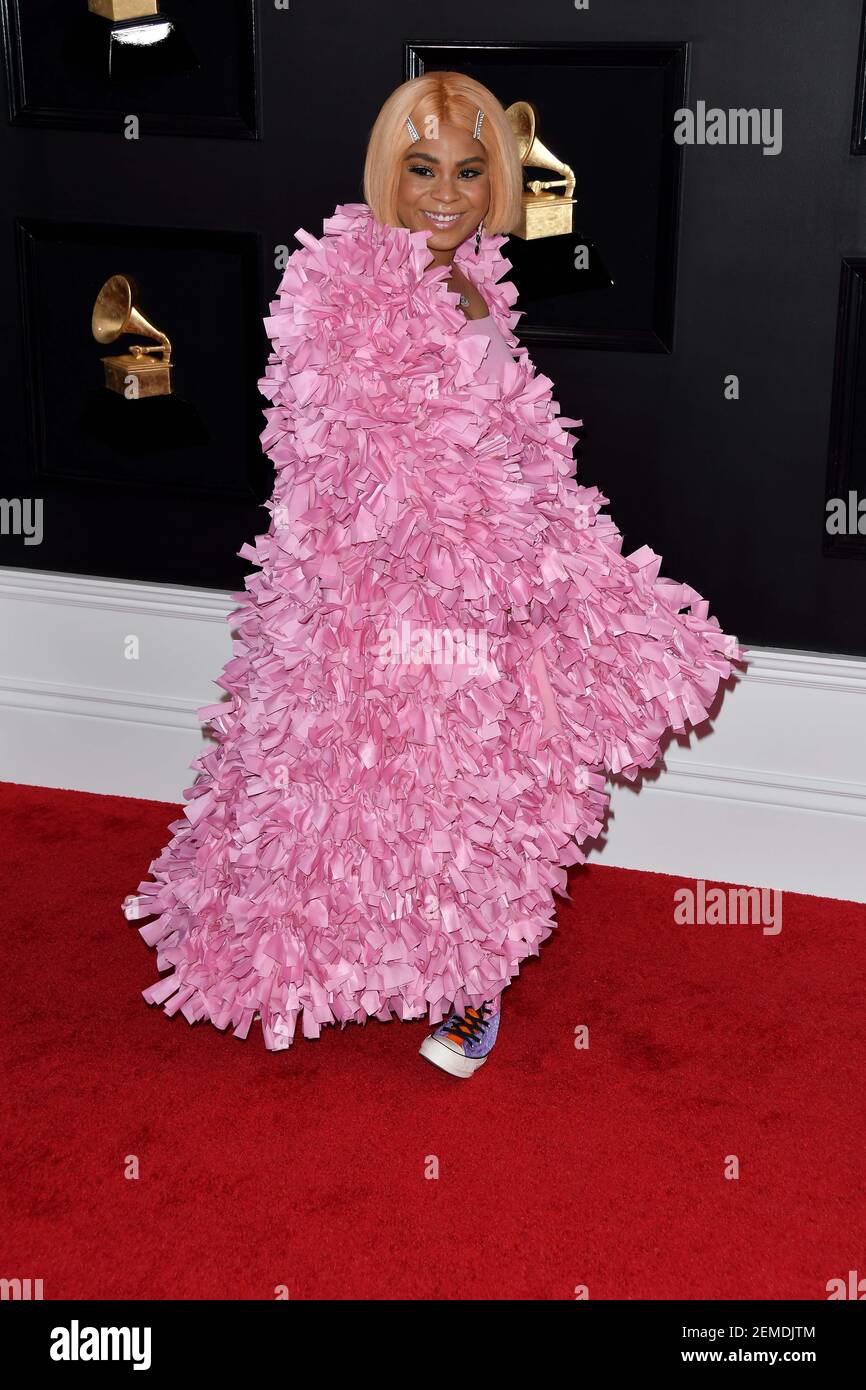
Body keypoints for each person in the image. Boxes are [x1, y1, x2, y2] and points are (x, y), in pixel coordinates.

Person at [122, 72, 741, 1078]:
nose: (443, 193)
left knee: (467, 793)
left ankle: (465, 981)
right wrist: (492, 558)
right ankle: (319, 964)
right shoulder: (336, 281)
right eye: (420, 170)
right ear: (387, 174)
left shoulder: (477, 275)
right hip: (374, 594)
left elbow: (507, 432)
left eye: (465, 169)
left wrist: (555, 544)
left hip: (483, 578)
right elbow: (350, 446)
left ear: (494, 177)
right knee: (355, 792)